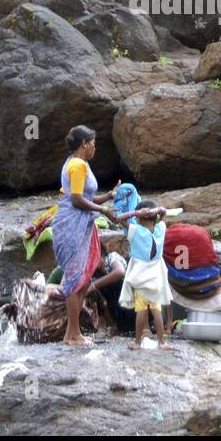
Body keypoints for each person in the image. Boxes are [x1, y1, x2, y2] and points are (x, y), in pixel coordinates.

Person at [51, 125, 125, 347]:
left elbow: (86, 197)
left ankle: (72, 333)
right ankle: (72, 335)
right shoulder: (77, 165)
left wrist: (109, 196)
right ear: (84, 144)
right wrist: (103, 210)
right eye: (93, 143)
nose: (95, 147)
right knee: (75, 281)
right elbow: (76, 199)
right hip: (72, 225)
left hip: (83, 224)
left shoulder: (78, 163)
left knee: (82, 281)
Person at [119, 205, 172, 351]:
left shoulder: (136, 231)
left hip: (140, 277)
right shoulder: (160, 229)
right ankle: (161, 342)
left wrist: (137, 212)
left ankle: (137, 342)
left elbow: (119, 218)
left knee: (141, 310)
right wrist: (155, 211)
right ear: (155, 218)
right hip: (155, 277)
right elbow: (164, 212)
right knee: (156, 309)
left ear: (139, 218)